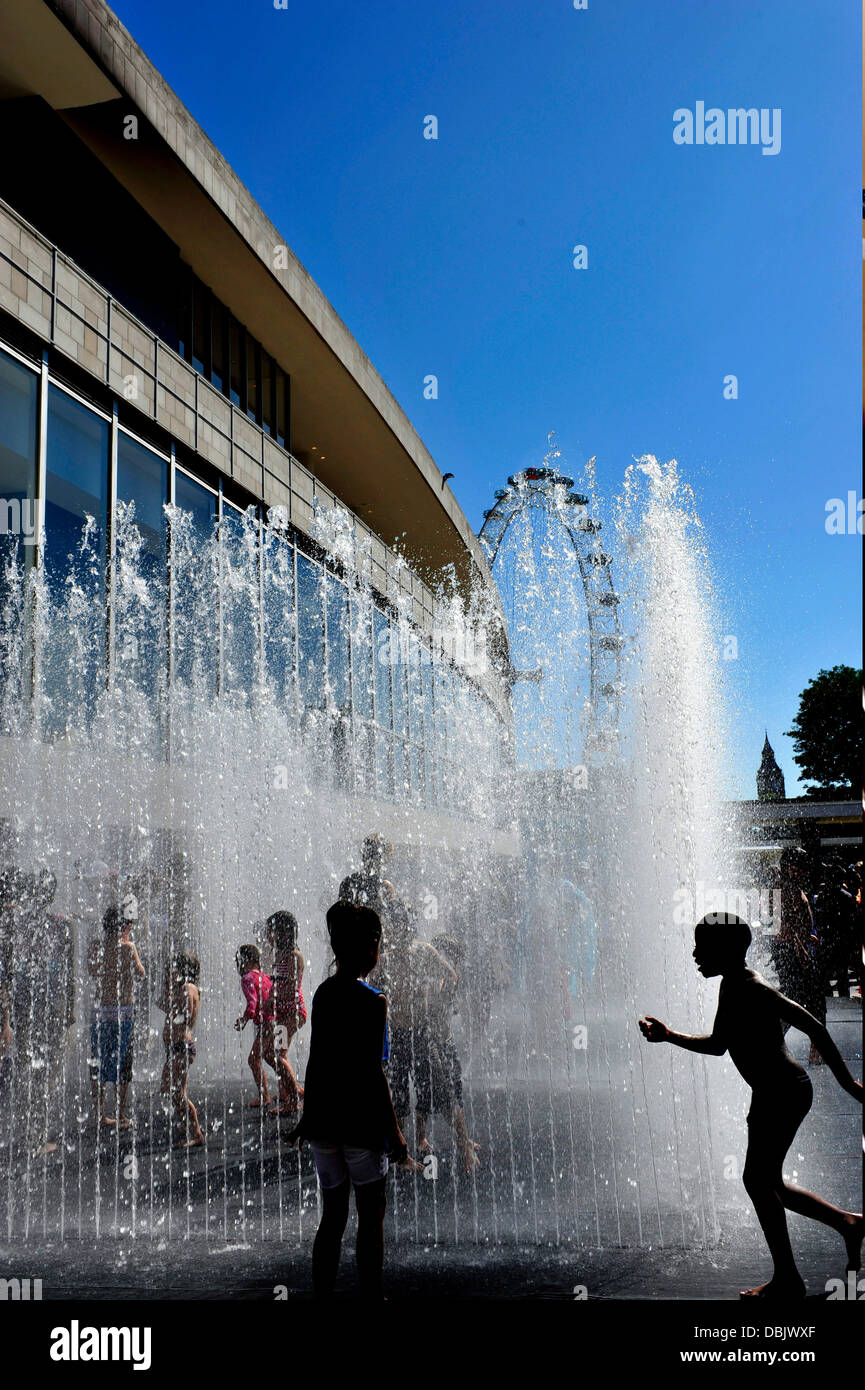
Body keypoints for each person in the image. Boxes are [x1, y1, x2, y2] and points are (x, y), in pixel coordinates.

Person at [639, 913, 863, 1299]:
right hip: (774, 1092)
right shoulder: (732, 985)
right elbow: (718, 1045)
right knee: (766, 1181)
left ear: (725, 950)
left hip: (784, 1091)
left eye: (702, 947)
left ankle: (789, 1279)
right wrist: (669, 1036)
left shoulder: (751, 988)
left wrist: (849, 1084)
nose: (694, 954)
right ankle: (847, 1224)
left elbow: (814, 1026)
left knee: (757, 1181)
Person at [287, 901, 407, 1299]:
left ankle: (323, 1295)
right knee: (371, 1219)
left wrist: (307, 1119)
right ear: (370, 947)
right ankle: (372, 1295)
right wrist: (395, 1134)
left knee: (332, 1217)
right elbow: (375, 1074)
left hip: (325, 1128)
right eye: (378, 944)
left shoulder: (323, 994)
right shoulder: (374, 1001)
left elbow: (316, 1060)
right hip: (360, 1127)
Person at [382, 898, 478, 1172]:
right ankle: (401, 1158)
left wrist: (439, 1004)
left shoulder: (423, 952)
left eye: (397, 928)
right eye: (391, 929)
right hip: (398, 1037)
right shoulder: (386, 960)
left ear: (405, 930)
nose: (393, 933)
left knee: (443, 1091)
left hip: (421, 1034)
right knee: (398, 1096)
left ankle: (465, 1148)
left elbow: (452, 977)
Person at [415, 933, 480, 1171]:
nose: (454, 963)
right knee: (433, 1090)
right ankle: (451, 1143)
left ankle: (463, 1138)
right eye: (450, 957)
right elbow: (427, 1004)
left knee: (455, 1085)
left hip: (446, 1040)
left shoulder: (450, 976)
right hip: (430, 1041)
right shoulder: (431, 977)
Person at [88, 904, 146, 1128]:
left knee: (99, 1060)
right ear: (122, 925)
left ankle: (99, 1115)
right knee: (123, 1062)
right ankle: (121, 1116)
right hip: (123, 1013)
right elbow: (141, 973)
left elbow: (92, 972)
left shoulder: (96, 947)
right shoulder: (128, 948)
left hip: (101, 1013)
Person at [773, 847, 824, 1064]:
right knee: (799, 1000)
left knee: (802, 1000)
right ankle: (775, 1041)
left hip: (792, 949)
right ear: (788, 868)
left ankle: (815, 1050)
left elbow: (787, 925)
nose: (803, 871)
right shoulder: (787, 889)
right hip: (792, 951)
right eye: (799, 867)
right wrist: (800, 948)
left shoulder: (788, 887)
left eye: (804, 867)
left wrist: (804, 939)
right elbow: (785, 925)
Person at [158, 951, 203, 1148]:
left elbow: (184, 1014)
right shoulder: (184, 988)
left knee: (174, 1093)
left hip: (182, 1047)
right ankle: (186, 1125)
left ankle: (196, 1133)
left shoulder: (187, 988)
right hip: (176, 1047)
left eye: (173, 967)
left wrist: (170, 1002)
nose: (170, 971)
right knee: (172, 1090)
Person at [265, 910, 306, 1116]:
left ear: (285, 934)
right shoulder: (279, 955)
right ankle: (293, 1090)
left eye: (271, 932)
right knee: (276, 1054)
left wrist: (272, 998)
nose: (268, 936)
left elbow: (290, 988)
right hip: (282, 1013)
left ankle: (293, 1097)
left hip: (293, 1012)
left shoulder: (293, 956)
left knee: (275, 1054)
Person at [234, 943, 274, 1108]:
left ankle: (265, 1096)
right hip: (276, 1022)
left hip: (267, 1025)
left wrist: (244, 1019)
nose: (238, 967)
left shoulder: (248, 978)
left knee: (253, 1060)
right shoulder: (264, 977)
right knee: (275, 1058)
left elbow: (252, 1003)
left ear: (246, 962)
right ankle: (291, 1089)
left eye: (239, 962)